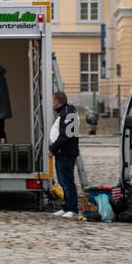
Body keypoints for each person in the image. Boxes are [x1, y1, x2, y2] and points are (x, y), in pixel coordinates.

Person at [51, 90, 82, 219]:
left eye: (53, 100)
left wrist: (52, 148)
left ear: (58, 101)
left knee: (67, 181)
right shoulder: (66, 112)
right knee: (63, 181)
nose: (52, 103)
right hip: (62, 152)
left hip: (66, 153)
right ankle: (66, 206)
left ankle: (72, 208)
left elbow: (66, 136)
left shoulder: (68, 113)